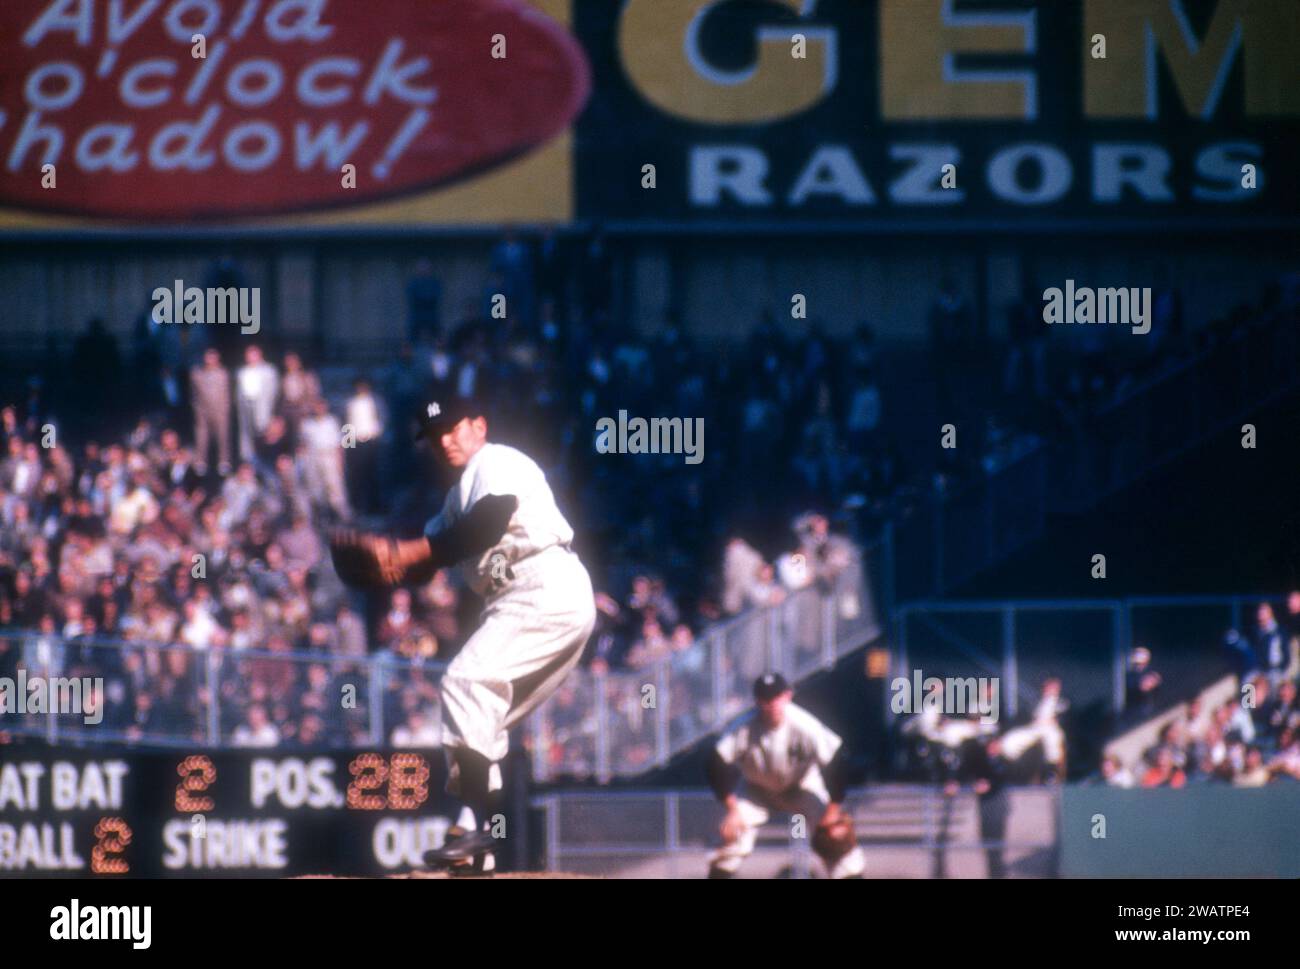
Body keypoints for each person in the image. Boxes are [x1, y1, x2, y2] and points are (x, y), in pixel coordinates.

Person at [342, 397, 597, 874]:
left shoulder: (496, 461)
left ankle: (479, 828)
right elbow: (428, 558)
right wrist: (386, 564)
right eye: (435, 434)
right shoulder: (455, 500)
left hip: (541, 585)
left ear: (479, 425)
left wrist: (405, 552)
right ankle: (472, 844)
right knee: (484, 723)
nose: (446, 439)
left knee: (463, 682)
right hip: (534, 599)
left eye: (454, 427)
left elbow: (488, 522)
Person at [705, 673, 865, 879]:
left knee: (837, 843)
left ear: (788, 695)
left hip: (803, 786)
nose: (772, 703)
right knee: (731, 841)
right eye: (765, 698)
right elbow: (714, 763)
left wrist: (833, 809)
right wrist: (732, 809)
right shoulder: (743, 727)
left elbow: (837, 760)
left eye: (777, 696)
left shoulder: (804, 725)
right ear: (756, 701)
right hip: (756, 790)